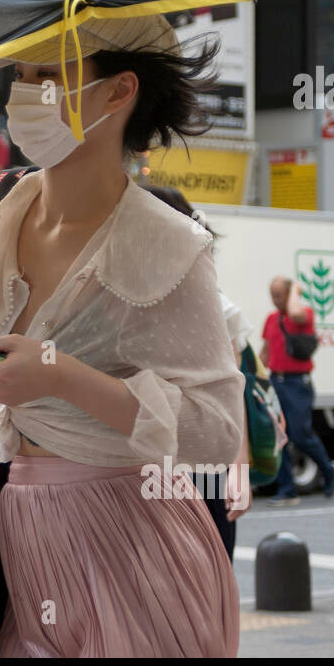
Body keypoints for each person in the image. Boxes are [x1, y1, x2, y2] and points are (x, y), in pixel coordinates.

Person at [0, 15, 244, 657]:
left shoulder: (168, 243)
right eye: (19, 76)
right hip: (26, 536)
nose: (23, 94)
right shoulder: (6, 210)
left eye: (48, 77)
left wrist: (62, 376)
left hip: (136, 542)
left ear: (119, 93)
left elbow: (217, 432)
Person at [143, 185, 252, 561]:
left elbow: (232, 393)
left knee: (209, 581)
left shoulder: (215, 304)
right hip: (139, 469)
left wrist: (239, 471)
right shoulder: (121, 300)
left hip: (203, 466)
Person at [262, 276, 334, 505]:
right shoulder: (271, 319)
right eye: (272, 295)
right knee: (279, 437)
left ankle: (328, 469)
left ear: (289, 295)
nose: (275, 300)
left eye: (279, 295)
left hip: (297, 383)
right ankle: (287, 490)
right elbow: (266, 352)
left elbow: (295, 313)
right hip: (275, 381)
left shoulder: (303, 315)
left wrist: (295, 289)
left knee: (299, 433)